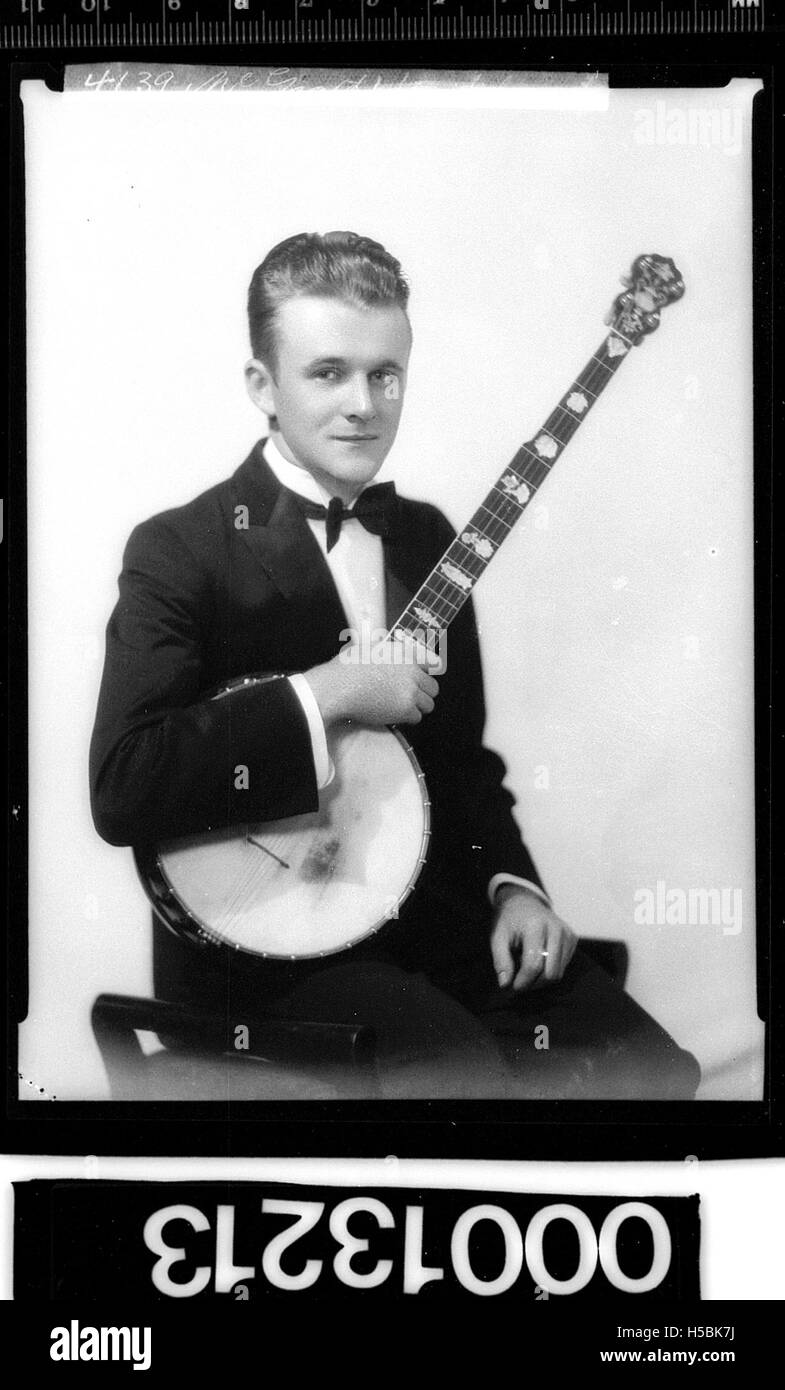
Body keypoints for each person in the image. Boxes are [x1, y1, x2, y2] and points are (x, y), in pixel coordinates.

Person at [89, 230, 700, 1100]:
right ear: (262, 386)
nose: (362, 404)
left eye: (386, 374)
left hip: (437, 928)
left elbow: (460, 766)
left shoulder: (422, 538)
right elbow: (123, 785)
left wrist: (510, 886)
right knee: (470, 1094)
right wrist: (330, 692)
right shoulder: (181, 551)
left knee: (652, 1074)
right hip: (266, 958)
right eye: (327, 372)